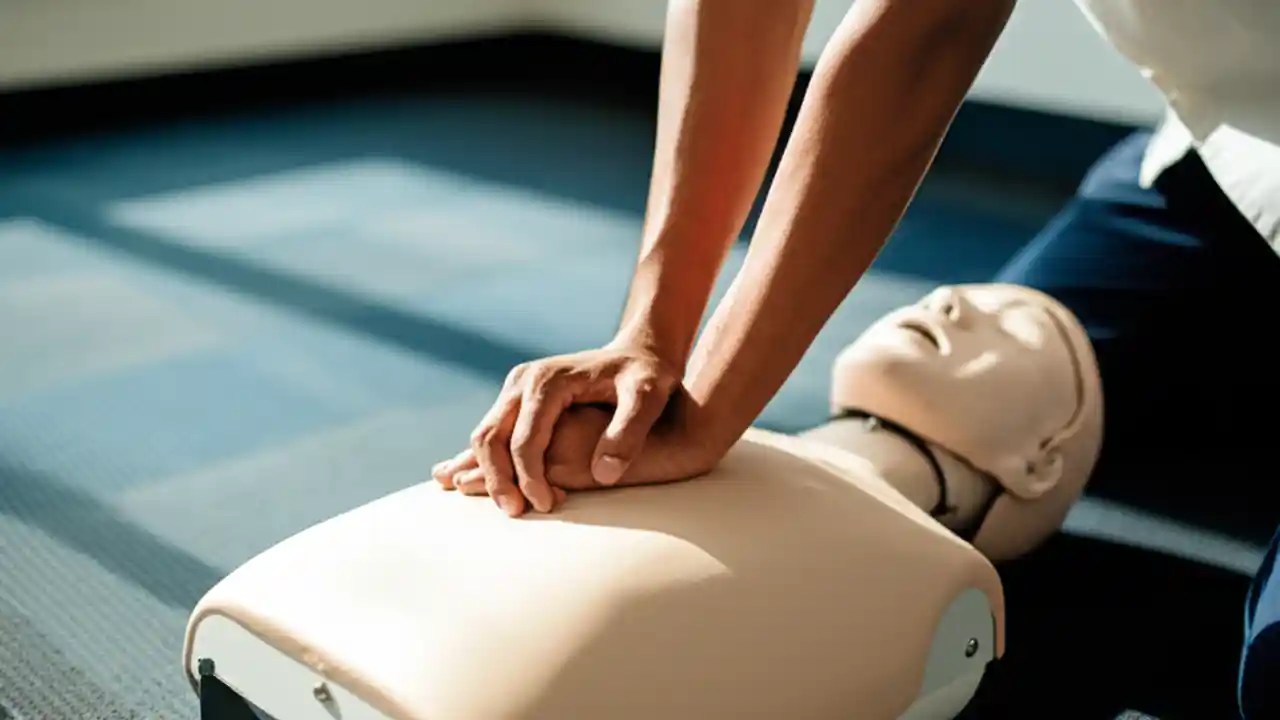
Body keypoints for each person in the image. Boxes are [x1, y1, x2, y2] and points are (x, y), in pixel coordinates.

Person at [431, 0, 1279, 716]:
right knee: (1009, 373)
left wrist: (708, 408)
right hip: (1222, 150)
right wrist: (652, 340)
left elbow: (927, 24)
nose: (944, 304)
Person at [186, 284, 1102, 718]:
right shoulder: (710, 450)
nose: (949, 300)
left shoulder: (938, 580)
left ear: (1041, 460)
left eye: (1010, 324)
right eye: (964, 295)